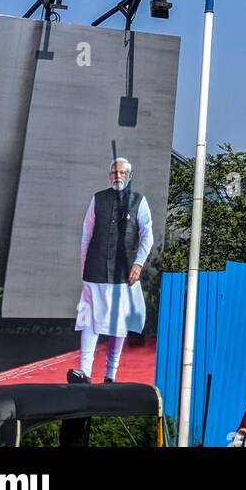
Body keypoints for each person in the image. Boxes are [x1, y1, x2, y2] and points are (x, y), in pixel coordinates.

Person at [66, 158, 153, 385]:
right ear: (109, 175)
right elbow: (87, 234)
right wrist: (84, 266)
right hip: (95, 271)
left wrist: (138, 263)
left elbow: (147, 235)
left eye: (123, 172)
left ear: (130, 176)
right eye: (114, 172)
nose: (118, 176)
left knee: (118, 324)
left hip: (123, 274)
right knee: (89, 321)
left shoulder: (138, 202)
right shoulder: (98, 199)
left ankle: (110, 375)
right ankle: (84, 372)